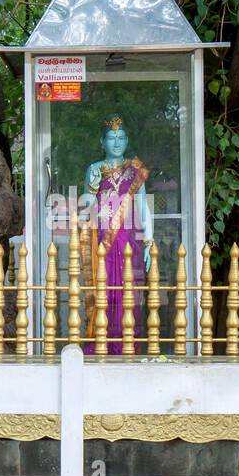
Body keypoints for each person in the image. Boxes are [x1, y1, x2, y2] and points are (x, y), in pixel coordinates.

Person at [78, 116, 153, 355]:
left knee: (127, 290)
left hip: (129, 240)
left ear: (127, 140)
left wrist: (149, 241)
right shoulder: (94, 169)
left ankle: (126, 344)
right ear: (103, 141)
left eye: (121, 137)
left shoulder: (135, 170)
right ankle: (100, 343)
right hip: (102, 240)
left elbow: (143, 207)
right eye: (111, 138)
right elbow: (86, 206)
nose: (117, 142)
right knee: (103, 289)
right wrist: (91, 187)